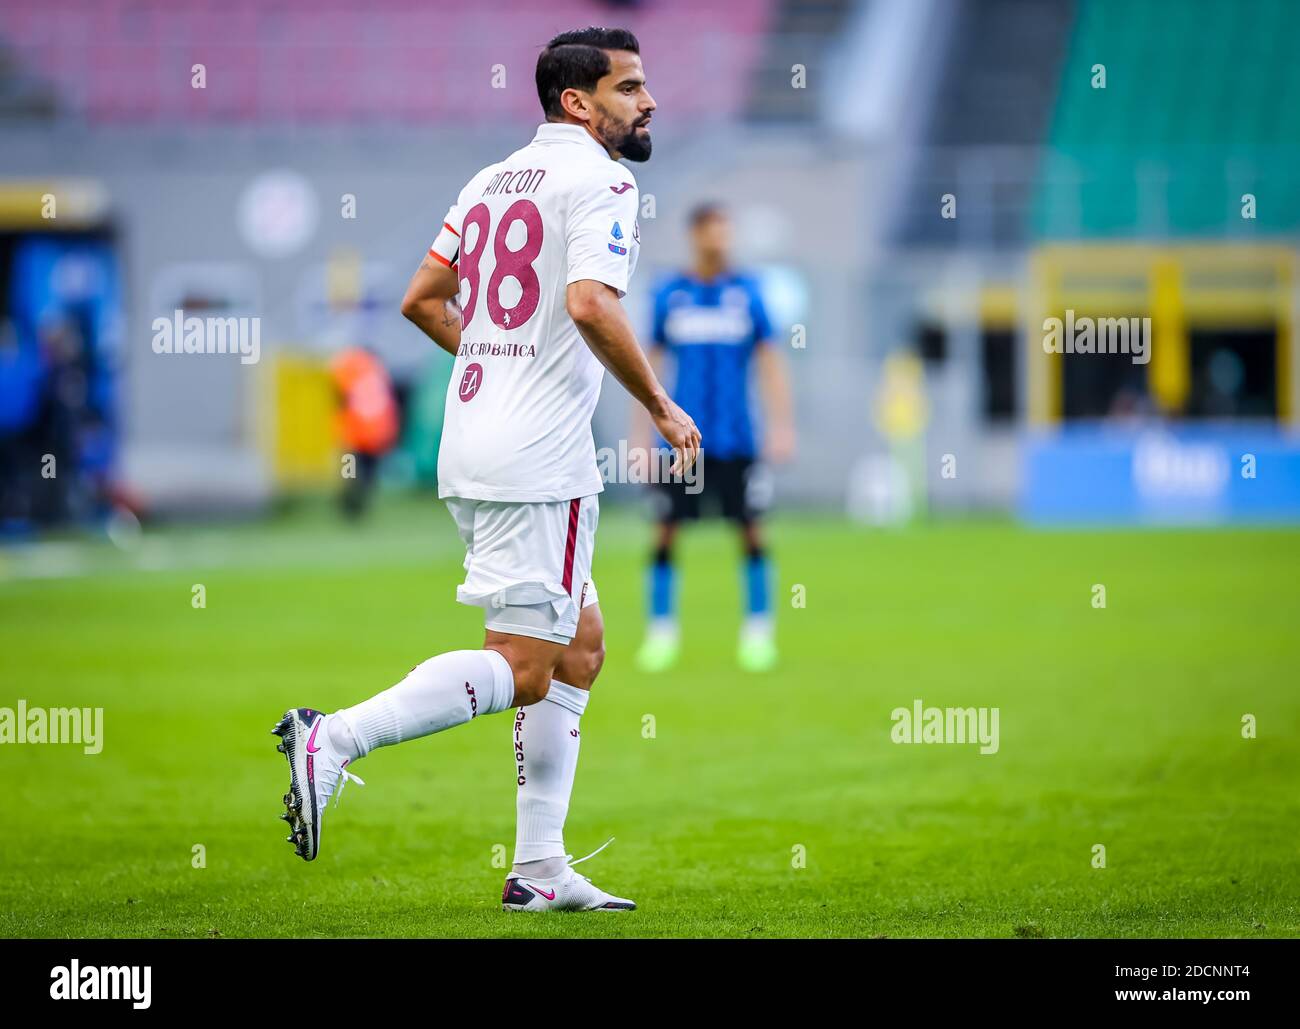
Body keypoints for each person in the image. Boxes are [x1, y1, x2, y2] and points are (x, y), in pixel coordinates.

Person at [272, 27, 700, 913]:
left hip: (474, 439)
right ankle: (333, 738)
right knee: (527, 662)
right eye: (629, 89)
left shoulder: (488, 180)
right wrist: (659, 404)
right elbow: (589, 302)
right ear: (578, 103)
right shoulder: (604, 179)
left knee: (580, 645)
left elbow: (420, 299)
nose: (648, 102)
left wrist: (495, 363)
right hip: (542, 457)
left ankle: (540, 868)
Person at [634, 203, 795, 674]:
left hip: (736, 439)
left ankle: (758, 634)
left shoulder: (748, 293)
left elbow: (770, 363)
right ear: (695, 235)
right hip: (679, 445)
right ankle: (661, 635)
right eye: (713, 232)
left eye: (727, 231)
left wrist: (782, 426)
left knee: (751, 530)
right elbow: (649, 369)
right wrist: (641, 439)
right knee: (665, 531)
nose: (721, 240)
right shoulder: (671, 294)